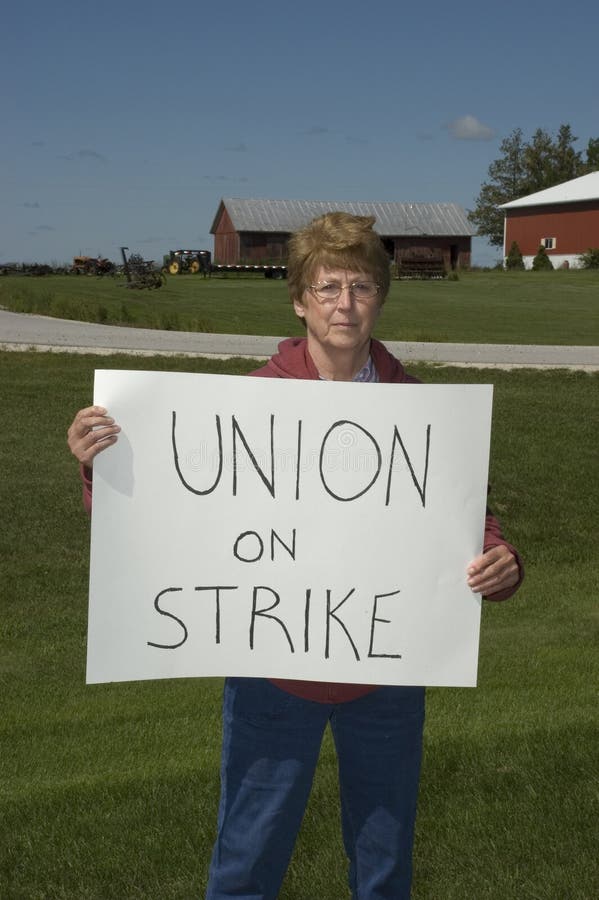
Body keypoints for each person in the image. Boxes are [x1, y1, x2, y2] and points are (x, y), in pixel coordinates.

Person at [68, 212, 523, 899]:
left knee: (383, 861)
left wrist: (499, 562)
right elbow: (161, 526)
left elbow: (468, 522)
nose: (345, 304)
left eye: (362, 287)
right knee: (247, 859)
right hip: (272, 675)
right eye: (328, 288)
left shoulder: (421, 411)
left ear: (380, 299)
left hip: (388, 674)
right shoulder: (246, 403)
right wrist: (98, 467)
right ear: (298, 300)